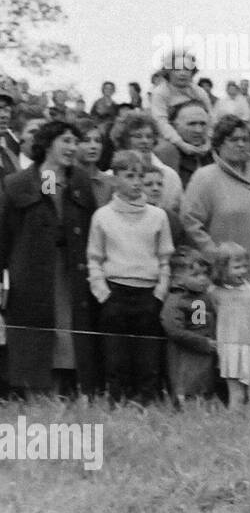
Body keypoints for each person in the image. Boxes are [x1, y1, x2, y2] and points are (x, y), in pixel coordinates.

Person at [0, 120, 100, 397]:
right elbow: (3, 235)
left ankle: (68, 389)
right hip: (32, 273)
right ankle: (38, 393)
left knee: (68, 328)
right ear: (47, 144)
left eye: (74, 142)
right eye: (66, 141)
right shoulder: (16, 183)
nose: (73, 147)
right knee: (39, 332)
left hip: (72, 271)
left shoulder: (79, 179)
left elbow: (91, 224)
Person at [87, 150, 174, 404]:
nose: (135, 182)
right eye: (128, 176)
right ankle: (116, 402)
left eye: (139, 176)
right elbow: (95, 258)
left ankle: (146, 403)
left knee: (148, 358)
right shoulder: (102, 216)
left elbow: (165, 258)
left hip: (148, 292)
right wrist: (103, 294)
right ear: (115, 179)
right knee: (116, 358)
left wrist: (159, 292)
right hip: (115, 292)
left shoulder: (158, 216)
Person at [181, 115, 250, 284]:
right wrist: (217, 259)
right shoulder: (205, 177)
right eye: (233, 139)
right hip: (223, 278)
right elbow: (190, 221)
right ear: (219, 143)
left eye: (245, 139)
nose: (241, 144)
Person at [209, 241, 250, 411]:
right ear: (222, 268)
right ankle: (234, 428)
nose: (243, 271)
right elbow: (206, 316)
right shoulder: (214, 292)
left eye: (245, 266)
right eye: (237, 267)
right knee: (237, 395)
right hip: (230, 348)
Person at [160, 248, 217, 406]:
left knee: (204, 388)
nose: (203, 279)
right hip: (185, 356)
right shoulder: (176, 300)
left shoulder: (205, 297)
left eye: (205, 274)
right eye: (196, 275)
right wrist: (202, 343)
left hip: (206, 356)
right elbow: (174, 330)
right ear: (177, 277)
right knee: (186, 389)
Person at [111, 111, 184, 211]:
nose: (144, 141)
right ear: (124, 140)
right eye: (138, 136)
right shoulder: (112, 177)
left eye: (149, 136)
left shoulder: (169, 175)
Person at [149, 48, 213, 164]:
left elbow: (210, 118)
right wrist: (181, 144)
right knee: (166, 150)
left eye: (187, 69)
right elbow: (161, 122)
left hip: (199, 136)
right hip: (170, 139)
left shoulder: (199, 92)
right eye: (177, 69)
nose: (183, 73)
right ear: (168, 71)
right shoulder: (160, 93)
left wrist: (208, 140)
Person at [153, 101, 213, 188]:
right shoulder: (165, 153)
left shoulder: (215, 152)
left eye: (203, 124)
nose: (198, 130)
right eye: (192, 124)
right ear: (174, 126)